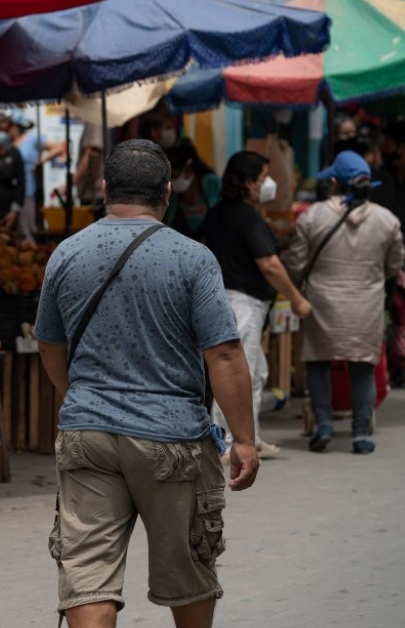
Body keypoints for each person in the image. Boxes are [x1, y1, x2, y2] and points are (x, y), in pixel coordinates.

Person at [35, 139, 259, 628]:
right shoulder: (192, 258)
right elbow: (223, 352)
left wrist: (79, 397)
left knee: (88, 577)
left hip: (87, 436)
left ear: (103, 190)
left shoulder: (66, 254)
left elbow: (48, 344)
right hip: (172, 439)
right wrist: (243, 439)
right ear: (166, 193)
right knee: (188, 574)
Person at [286, 151, 405, 454]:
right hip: (366, 304)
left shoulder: (312, 216)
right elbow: (394, 266)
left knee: (318, 361)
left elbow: (297, 265)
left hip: (321, 303)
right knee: (362, 366)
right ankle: (360, 432)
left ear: (334, 183)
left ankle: (324, 422)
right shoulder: (387, 220)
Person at [199, 151, 311, 459]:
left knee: (255, 373)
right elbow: (270, 265)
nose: (267, 184)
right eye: (262, 179)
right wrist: (298, 300)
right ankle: (226, 441)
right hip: (240, 304)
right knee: (235, 375)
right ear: (248, 183)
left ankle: (251, 437)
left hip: (231, 302)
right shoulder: (247, 217)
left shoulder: (218, 212)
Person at [9, 113, 63, 241]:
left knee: (27, 227)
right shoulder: (8, 143)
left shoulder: (31, 139)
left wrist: (41, 160)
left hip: (27, 189)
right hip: (10, 191)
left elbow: (58, 147)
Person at [164, 139, 221, 240]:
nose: (172, 182)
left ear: (188, 169)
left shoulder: (211, 183)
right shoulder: (172, 196)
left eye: (175, 176)